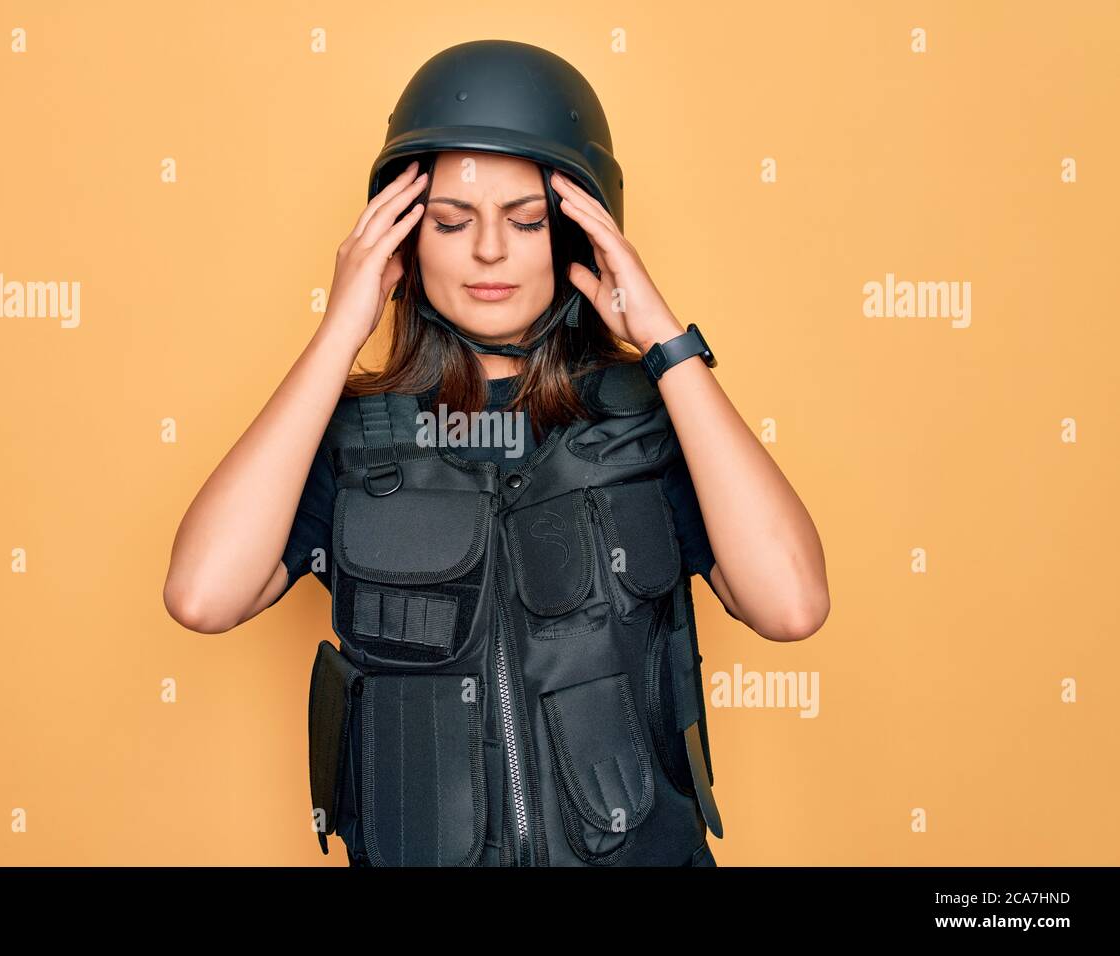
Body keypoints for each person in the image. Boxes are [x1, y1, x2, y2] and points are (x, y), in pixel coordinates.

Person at [164, 40, 829, 867]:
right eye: (451, 221)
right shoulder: (343, 437)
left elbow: (792, 607)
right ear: (401, 240)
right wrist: (340, 329)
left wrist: (664, 342)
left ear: (581, 237)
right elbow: (201, 595)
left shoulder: (654, 418)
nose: (488, 252)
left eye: (525, 222)